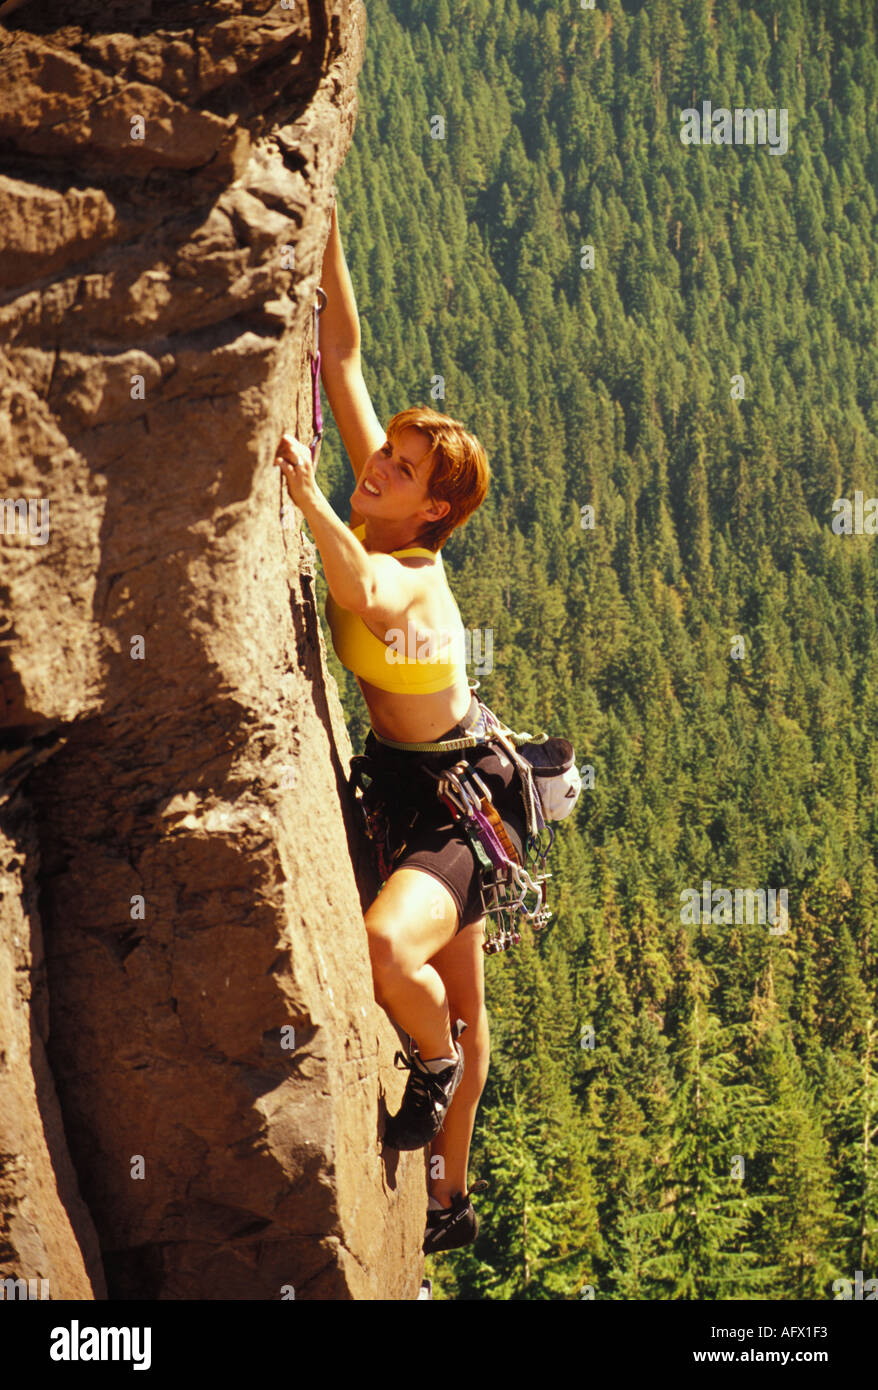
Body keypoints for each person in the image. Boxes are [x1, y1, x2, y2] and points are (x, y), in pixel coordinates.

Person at [273, 196, 529, 1255]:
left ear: (430, 511)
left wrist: (306, 495)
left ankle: (423, 1071)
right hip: (409, 778)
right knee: (470, 1017)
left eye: (403, 469)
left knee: (393, 958)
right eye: (385, 456)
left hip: (456, 807)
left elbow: (365, 596)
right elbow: (340, 353)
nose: (376, 463)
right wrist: (320, 213)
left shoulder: (406, 574)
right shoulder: (385, 499)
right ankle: (447, 1204)